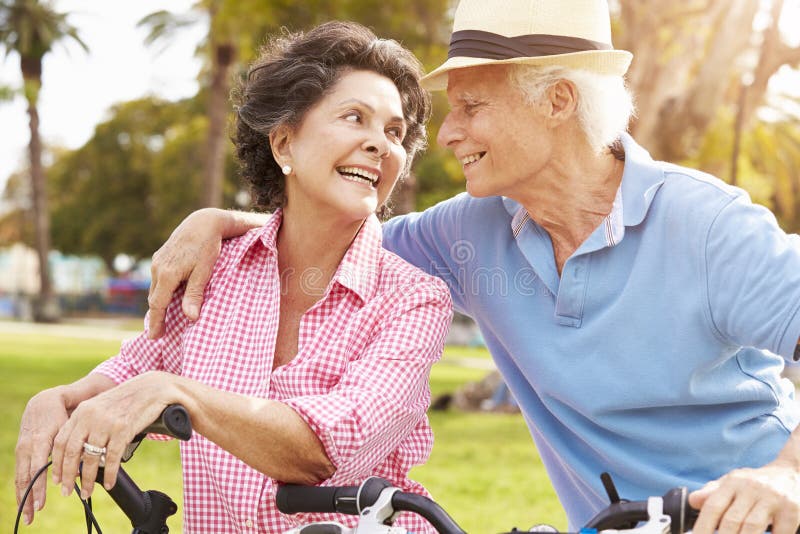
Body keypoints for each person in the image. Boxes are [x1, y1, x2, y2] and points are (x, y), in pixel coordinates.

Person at [143, 0, 800, 532]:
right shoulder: (468, 231)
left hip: (756, 519)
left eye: (472, 106)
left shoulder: (707, 225)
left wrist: (787, 474)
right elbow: (332, 234)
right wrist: (219, 222)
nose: (447, 133)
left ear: (557, 101)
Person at [14, 21, 453, 533]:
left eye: (394, 132)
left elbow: (326, 451)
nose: (380, 144)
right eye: (354, 117)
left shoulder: (414, 300)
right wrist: (60, 399)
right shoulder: (214, 269)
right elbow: (132, 374)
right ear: (284, 145)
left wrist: (180, 394)